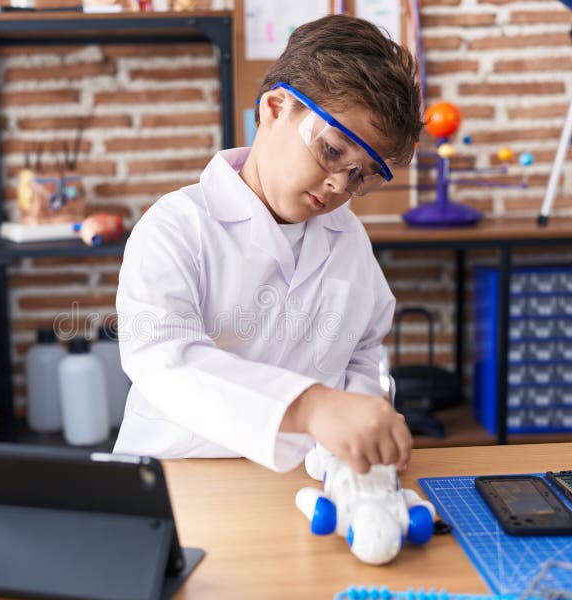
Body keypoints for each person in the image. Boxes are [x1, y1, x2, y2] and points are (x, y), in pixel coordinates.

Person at [112, 14, 422, 474]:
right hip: (179, 474)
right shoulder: (176, 228)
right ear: (275, 108)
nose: (340, 184)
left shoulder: (347, 238)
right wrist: (313, 408)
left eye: (361, 175)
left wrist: (362, 419)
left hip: (298, 477)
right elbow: (163, 361)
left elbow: (361, 349)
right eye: (334, 151)